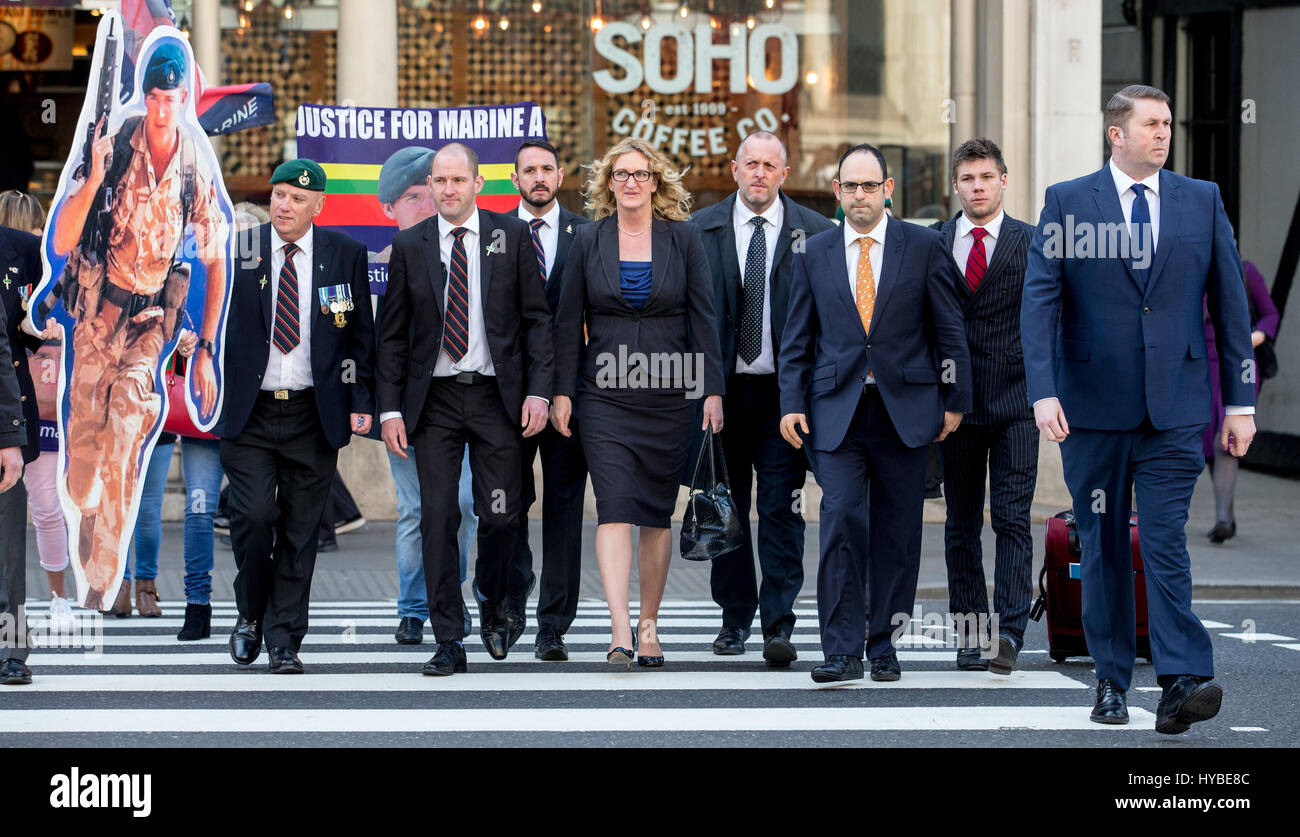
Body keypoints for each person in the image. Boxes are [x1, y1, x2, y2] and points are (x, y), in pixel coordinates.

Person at [1021, 85, 1256, 733]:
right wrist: (1043, 391)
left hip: (1176, 410)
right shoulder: (1069, 202)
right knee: (1100, 546)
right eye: (1151, 124)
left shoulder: (1200, 200)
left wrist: (1240, 400)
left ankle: (1182, 676)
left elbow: (1232, 307)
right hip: (1091, 411)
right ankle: (1112, 679)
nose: (1164, 133)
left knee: (1162, 539)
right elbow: (1039, 301)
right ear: (1115, 135)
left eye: (1168, 123)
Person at [42, 41, 227, 610]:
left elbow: (217, 257)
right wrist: (94, 177)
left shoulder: (194, 164)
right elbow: (63, 239)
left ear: (183, 98)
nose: (161, 110)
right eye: (152, 98)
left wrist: (207, 346)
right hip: (97, 317)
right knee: (84, 460)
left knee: (125, 427)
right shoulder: (117, 146)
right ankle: (90, 512)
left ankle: (104, 577)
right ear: (144, 97)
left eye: (170, 99)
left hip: (150, 322)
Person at [778, 143, 971, 684]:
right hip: (835, 411)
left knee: (898, 531)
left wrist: (955, 399)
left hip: (906, 411)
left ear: (888, 190)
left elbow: (948, 330)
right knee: (840, 521)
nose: (858, 195)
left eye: (869, 186)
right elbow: (796, 339)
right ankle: (841, 649)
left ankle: (884, 645)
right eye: (849, 186)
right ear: (837, 192)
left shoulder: (925, 245)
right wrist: (790, 403)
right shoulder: (813, 251)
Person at [378, 142, 553, 677]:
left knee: (500, 514)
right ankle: (448, 638)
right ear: (430, 186)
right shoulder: (411, 245)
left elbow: (537, 322)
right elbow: (391, 338)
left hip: (496, 401)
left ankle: (497, 601)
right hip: (433, 403)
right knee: (437, 518)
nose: (448, 190)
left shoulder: (512, 236)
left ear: (478, 184)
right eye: (440, 181)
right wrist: (389, 410)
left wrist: (539, 392)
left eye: (458, 180)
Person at [552, 137, 725, 670]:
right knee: (614, 509)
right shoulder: (586, 239)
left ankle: (649, 627)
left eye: (641, 174)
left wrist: (711, 389)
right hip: (602, 396)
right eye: (621, 174)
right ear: (608, 183)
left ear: (656, 183)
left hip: (670, 396)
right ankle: (620, 632)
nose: (631, 182)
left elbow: (704, 318)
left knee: (654, 515)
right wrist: (561, 390)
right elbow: (564, 322)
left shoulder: (684, 239)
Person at [217, 159, 375, 674]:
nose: (283, 205)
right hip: (250, 412)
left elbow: (359, 337)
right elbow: (211, 320)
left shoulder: (344, 255)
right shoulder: (240, 249)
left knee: (301, 532)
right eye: (278, 195)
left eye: (296, 199)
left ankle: (284, 639)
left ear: (318, 205)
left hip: (314, 413)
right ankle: (249, 615)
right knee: (255, 517)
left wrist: (361, 403)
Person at [687, 131, 833, 666]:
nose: (759, 174)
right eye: (751, 164)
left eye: (770, 165)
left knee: (780, 510)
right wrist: (707, 388)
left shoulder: (816, 233)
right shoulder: (699, 230)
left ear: (784, 174)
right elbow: (690, 323)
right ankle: (733, 620)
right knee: (726, 510)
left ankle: (779, 622)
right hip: (720, 397)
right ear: (733, 169)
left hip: (784, 398)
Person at [933, 138, 1037, 674]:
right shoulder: (932, 242)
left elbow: (1049, 320)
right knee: (961, 523)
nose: (977, 186)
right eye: (968, 178)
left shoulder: (1032, 241)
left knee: (1013, 521)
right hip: (957, 405)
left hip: (1017, 402)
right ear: (956, 185)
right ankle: (970, 633)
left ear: (1003, 181)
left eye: (987, 177)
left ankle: (1011, 632)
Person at [374, 145, 477, 646]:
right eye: (413, 195)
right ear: (388, 206)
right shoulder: (396, 254)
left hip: (469, 400)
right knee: (418, 509)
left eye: (431, 191)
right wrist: (384, 410)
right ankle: (414, 608)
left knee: (462, 503)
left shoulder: (469, 244)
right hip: (413, 406)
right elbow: (385, 342)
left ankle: (448, 595)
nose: (428, 202)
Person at [508, 139, 590, 661]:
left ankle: (553, 625)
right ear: (514, 179)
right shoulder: (495, 233)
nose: (538, 177)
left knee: (564, 510)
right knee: (508, 508)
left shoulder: (587, 234)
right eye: (528, 170)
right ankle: (513, 598)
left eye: (547, 169)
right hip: (508, 398)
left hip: (572, 397)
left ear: (560, 177)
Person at [0, 192, 75, 634]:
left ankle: (55, 599)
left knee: (42, 507)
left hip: (34, 407)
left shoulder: (36, 263)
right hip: (23, 405)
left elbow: (30, 332)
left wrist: (37, 329)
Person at [1201, 259, 1278, 542]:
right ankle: (1227, 518)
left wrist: (1248, 339)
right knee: (1211, 440)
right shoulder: (1190, 269)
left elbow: (1270, 316)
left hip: (1239, 363)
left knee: (1226, 437)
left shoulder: (1246, 272)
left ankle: (1223, 517)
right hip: (1202, 365)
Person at [0, 225, 42, 685]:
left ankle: (11, 648)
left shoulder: (23, 249)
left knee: (8, 549)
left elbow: (7, 347)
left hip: (3, 414)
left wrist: (8, 434)